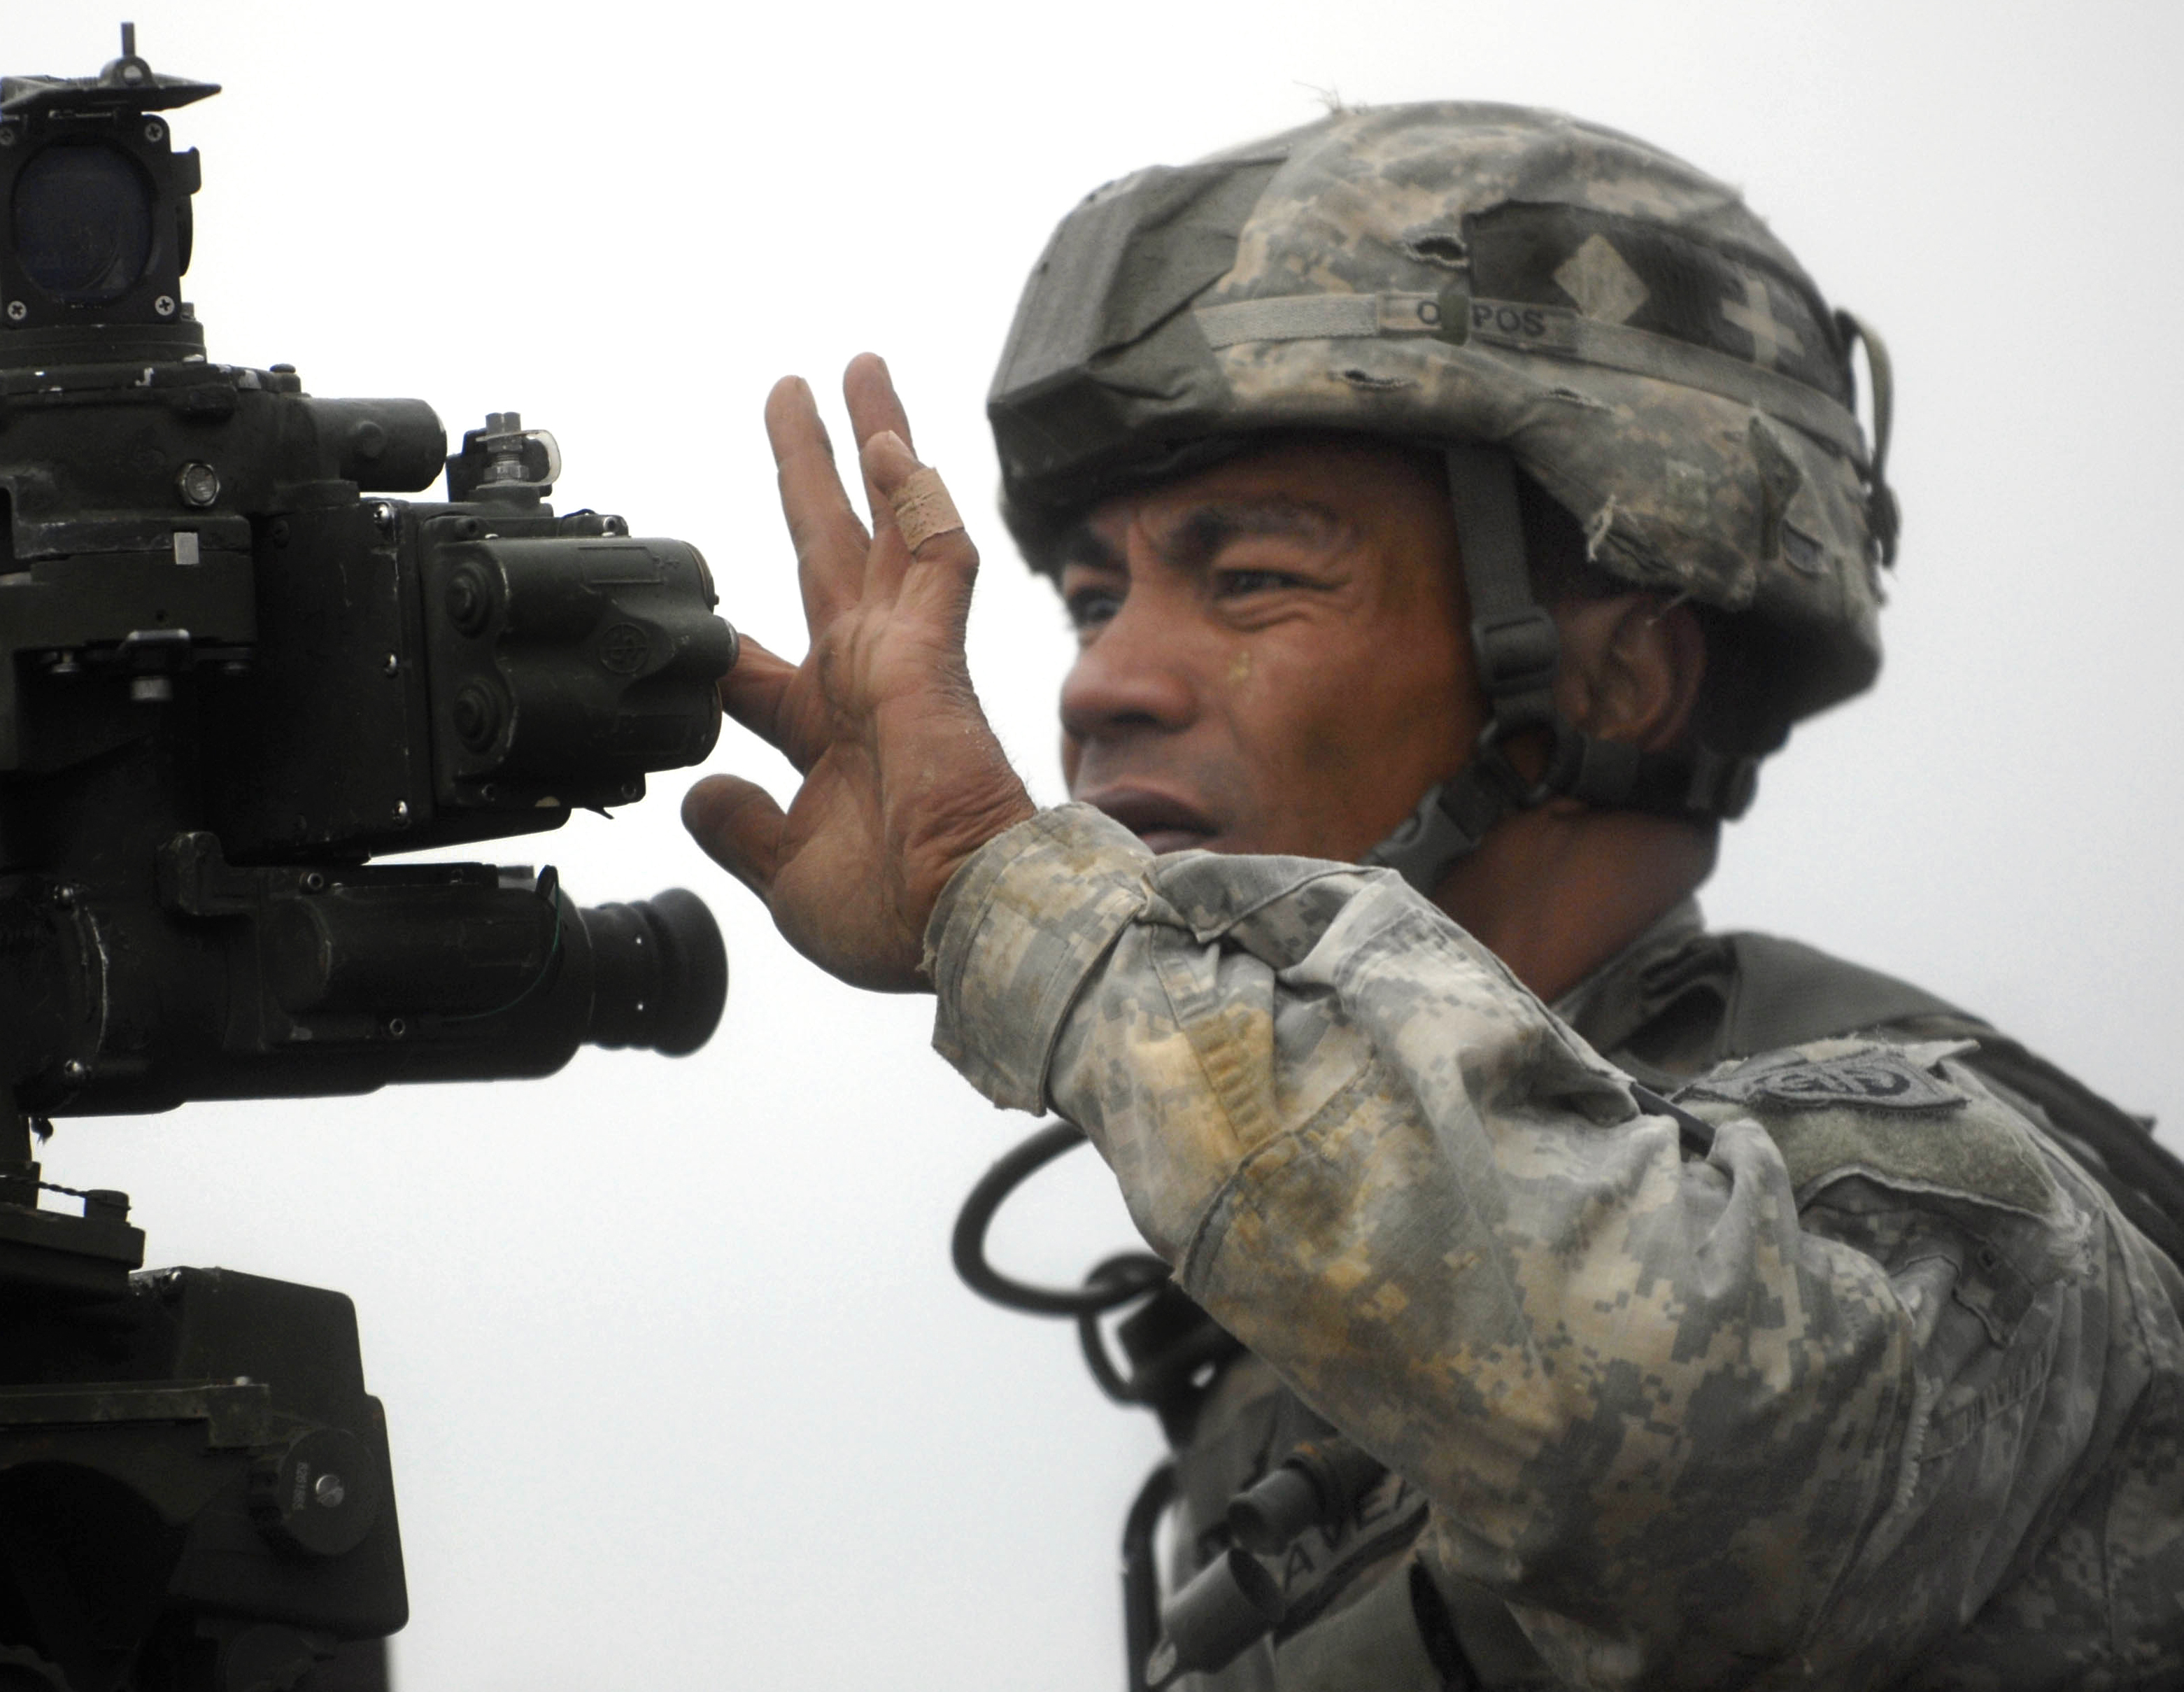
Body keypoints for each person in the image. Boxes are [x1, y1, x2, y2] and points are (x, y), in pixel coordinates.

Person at [681, 101, 2184, 1690]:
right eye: (1091, 600)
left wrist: (1006, 900)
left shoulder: (1954, 1214)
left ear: (1613, 679)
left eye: (1252, 576)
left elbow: (1649, 1427)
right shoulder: (1310, 1330)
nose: (1102, 682)